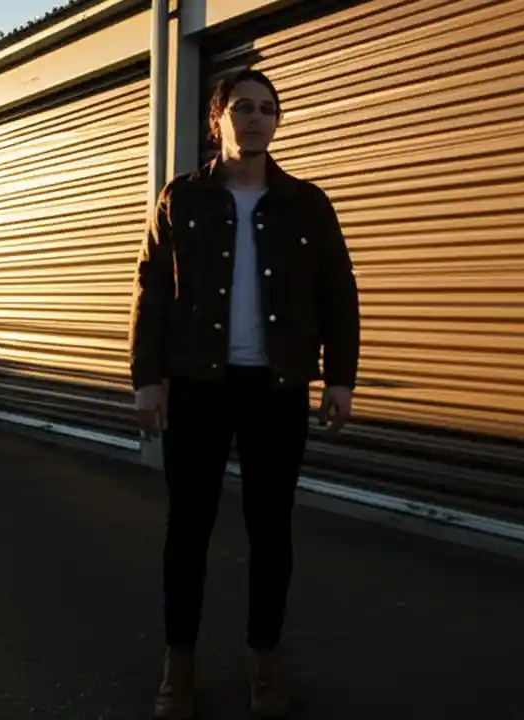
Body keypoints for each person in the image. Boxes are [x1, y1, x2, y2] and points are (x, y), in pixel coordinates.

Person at [129, 68, 360, 719]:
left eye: (266, 109)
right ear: (218, 120)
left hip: (276, 387)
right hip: (199, 386)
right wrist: (147, 378)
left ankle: (265, 659)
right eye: (242, 107)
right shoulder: (182, 198)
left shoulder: (306, 203)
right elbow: (151, 294)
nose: (254, 118)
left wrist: (340, 376)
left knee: (271, 530)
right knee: (188, 529)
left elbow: (338, 291)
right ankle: (179, 662)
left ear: (277, 122)